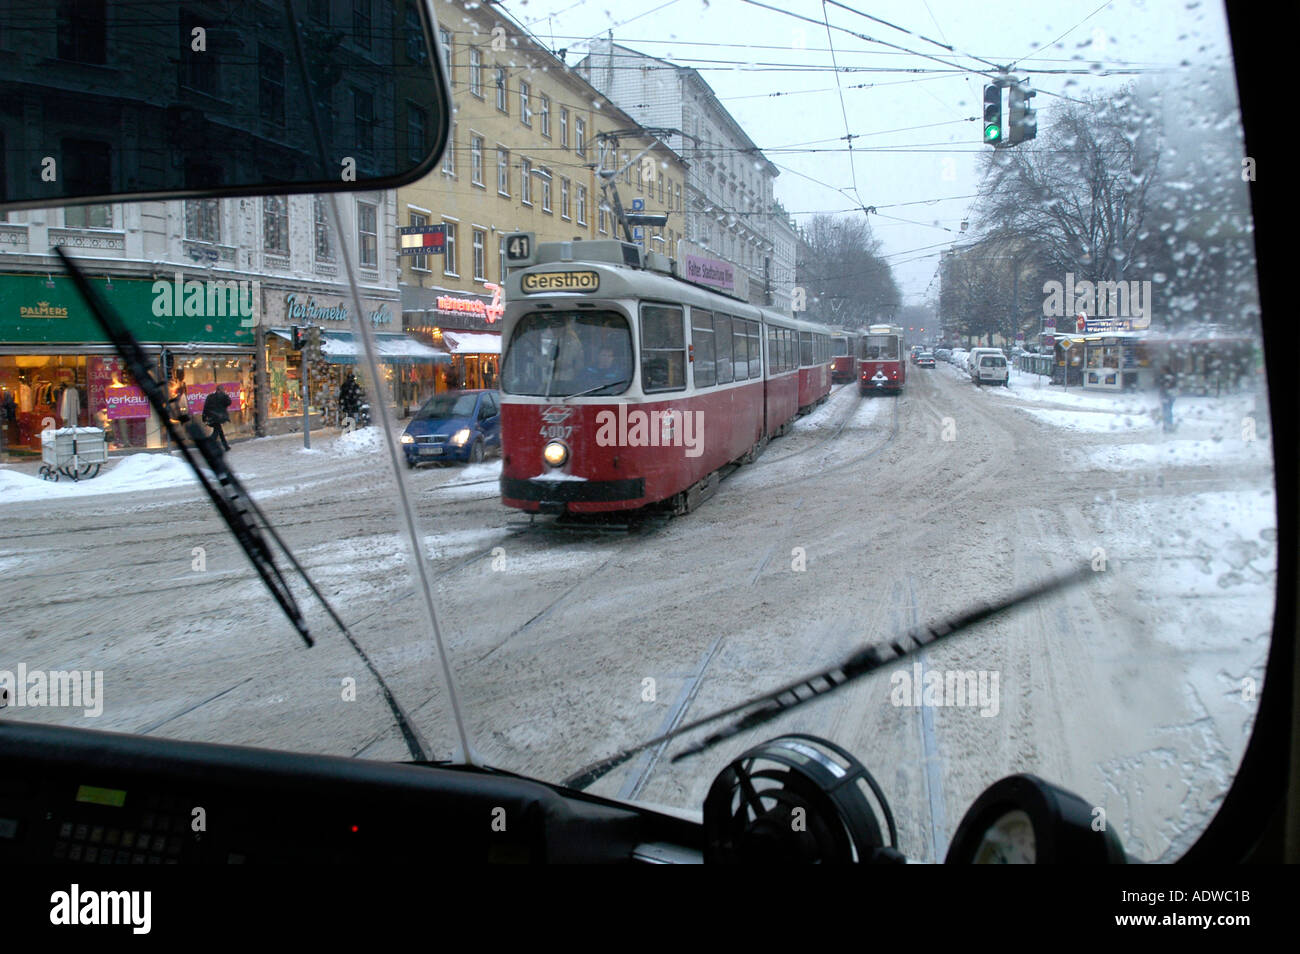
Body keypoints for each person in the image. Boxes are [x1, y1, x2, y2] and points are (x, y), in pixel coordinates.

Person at [202, 384, 233, 451]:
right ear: (220, 390)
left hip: (211, 417)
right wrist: (225, 395)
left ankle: (226, 446)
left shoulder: (210, 396)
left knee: (219, 430)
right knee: (216, 432)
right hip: (218, 418)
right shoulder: (223, 396)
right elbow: (229, 402)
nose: (223, 391)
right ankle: (208, 445)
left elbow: (205, 407)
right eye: (223, 390)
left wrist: (204, 416)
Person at [1158, 365, 1177, 433]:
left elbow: (1164, 388)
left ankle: (1167, 426)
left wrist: (1163, 396)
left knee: (1166, 411)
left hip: (1166, 397)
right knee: (1168, 411)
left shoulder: (1166, 378)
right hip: (1169, 397)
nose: (1161, 371)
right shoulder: (1171, 377)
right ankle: (1168, 425)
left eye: (1162, 370)